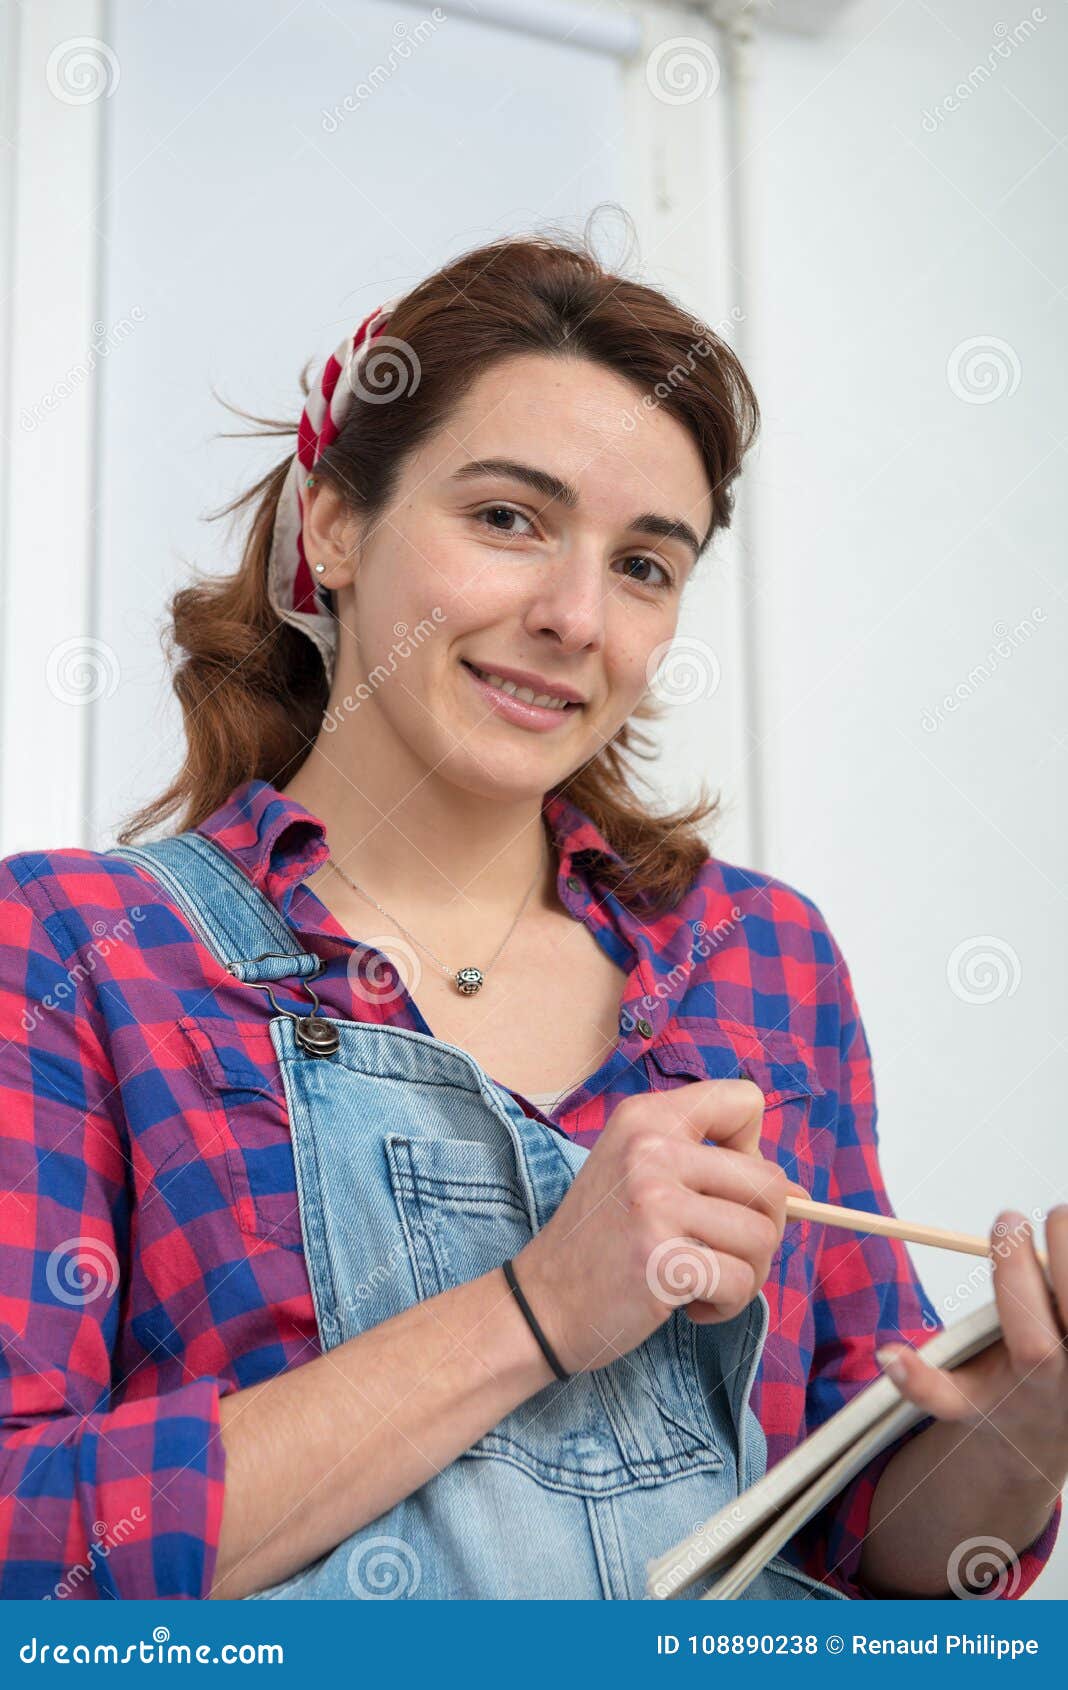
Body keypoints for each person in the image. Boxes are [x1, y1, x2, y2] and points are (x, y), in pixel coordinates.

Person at [0, 228, 1063, 1603]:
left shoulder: (760, 962)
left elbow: (870, 1545)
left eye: (644, 565)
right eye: (508, 517)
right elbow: (30, 1552)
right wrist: (538, 1309)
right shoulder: (82, 950)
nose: (574, 615)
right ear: (333, 525)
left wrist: (1025, 1428)